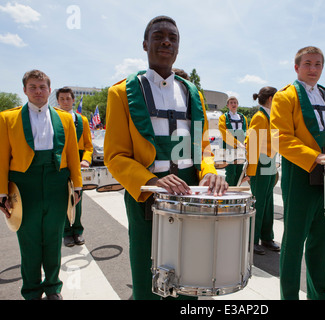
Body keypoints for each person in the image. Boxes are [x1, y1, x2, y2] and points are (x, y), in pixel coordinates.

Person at [103, 16, 228, 300]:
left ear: (178, 48)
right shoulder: (121, 92)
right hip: (148, 189)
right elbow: (115, 155)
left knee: (190, 268)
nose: (166, 41)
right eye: (158, 36)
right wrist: (151, 180)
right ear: (145, 44)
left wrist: (209, 170)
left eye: (173, 37)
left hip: (190, 188)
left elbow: (203, 146)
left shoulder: (191, 91)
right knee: (147, 270)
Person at [271, 46, 325, 300]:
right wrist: (315, 156)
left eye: (318, 64)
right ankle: (289, 296)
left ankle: (319, 293)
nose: (313, 69)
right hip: (301, 171)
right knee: (294, 240)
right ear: (296, 67)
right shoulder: (285, 96)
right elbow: (280, 138)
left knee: (322, 238)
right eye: (307, 63)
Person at [0, 70, 82, 300]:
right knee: (28, 239)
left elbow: (73, 154)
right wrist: (1, 191)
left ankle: (53, 286)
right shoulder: (7, 118)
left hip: (57, 180)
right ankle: (32, 289)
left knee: (54, 237)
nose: (38, 91)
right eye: (33, 87)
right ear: (24, 90)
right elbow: (1, 157)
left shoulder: (65, 118)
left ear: (49, 90)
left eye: (42, 87)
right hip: (25, 183)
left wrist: (77, 185)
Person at [243, 86, 280, 255]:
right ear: (271, 98)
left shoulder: (270, 115)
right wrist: (250, 171)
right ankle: (252, 239)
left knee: (268, 204)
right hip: (260, 164)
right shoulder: (260, 117)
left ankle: (266, 237)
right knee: (259, 203)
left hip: (269, 163)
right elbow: (252, 144)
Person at [57, 87, 93, 247]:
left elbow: (88, 146)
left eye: (68, 98)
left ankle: (77, 231)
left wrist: (85, 160)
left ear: (73, 100)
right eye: (62, 99)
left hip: (78, 161)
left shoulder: (82, 120)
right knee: (63, 198)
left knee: (77, 197)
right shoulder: (53, 118)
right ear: (58, 101)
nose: (65, 102)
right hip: (60, 162)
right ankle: (65, 232)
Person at [219, 96, 248, 186]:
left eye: (235, 102)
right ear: (227, 105)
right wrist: (238, 143)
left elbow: (247, 132)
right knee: (231, 173)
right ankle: (229, 191)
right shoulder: (223, 117)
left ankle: (237, 191)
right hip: (229, 148)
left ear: (237, 105)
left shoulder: (243, 118)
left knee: (239, 172)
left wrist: (246, 142)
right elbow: (224, 133)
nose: (233, 104)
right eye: (231, 103)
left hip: (241, 149)